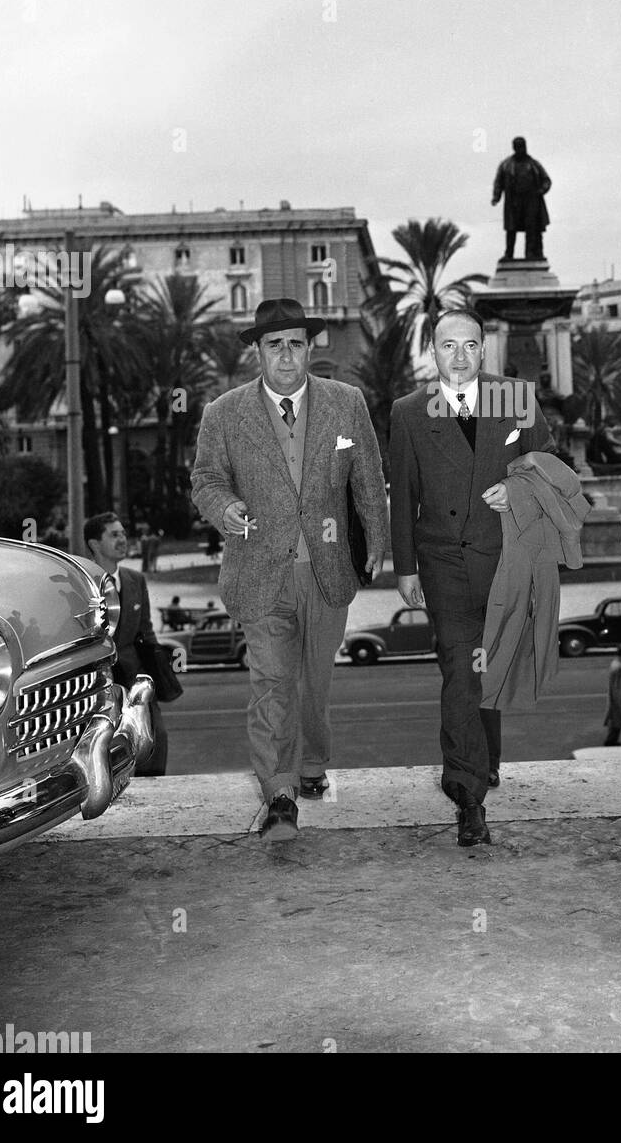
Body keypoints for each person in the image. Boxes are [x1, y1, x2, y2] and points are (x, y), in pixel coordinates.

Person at [191, 297, 389, 844]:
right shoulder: (223, 414)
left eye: (296, 344)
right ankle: (280, 795)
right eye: (274, 345)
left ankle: (312, 762)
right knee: (273, 682)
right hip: (259, 571)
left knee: (313, 683)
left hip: (327, 570)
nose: (286, 355)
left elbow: (367, 478)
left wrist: (377, 539)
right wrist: (223, 507)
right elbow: (205, 480)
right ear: (258, 351)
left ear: (310, 349)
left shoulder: (346, 403)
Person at [389, 308, 555, 847]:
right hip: (445, 564)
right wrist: (406, 567)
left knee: (492, 665)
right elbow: (403, 496)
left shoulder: (515, 398)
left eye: (469, 346)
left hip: (507, 557)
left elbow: (550, 465)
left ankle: (486, 761)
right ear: (432, 352)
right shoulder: (409, 412)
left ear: (484, 350)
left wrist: (521, 491)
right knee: (461, 670)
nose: (459, 356)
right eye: (448, 346)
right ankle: (468, 796)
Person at [83, 511, 168, 775]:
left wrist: (160, 675)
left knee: (154, 739)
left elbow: (146, 631)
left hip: (134, 678)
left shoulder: (135, 580)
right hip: (96, 684)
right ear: (95, 545)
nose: (123, 539)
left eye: (123, 533)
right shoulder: (81, 582)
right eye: (114, 534)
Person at [491, 136, 552, 261]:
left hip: (531, 201)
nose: (521, 149)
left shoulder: (534, 164)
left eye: (522, 146)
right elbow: (499, 182)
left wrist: (540, 191)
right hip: (513, 201)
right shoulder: (506, 165)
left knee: (532, 227)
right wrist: (496, 197)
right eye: (518, 146)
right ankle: (509, 253)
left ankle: (530, 253)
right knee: (511, 229)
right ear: (514, 148)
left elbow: (546, 180)